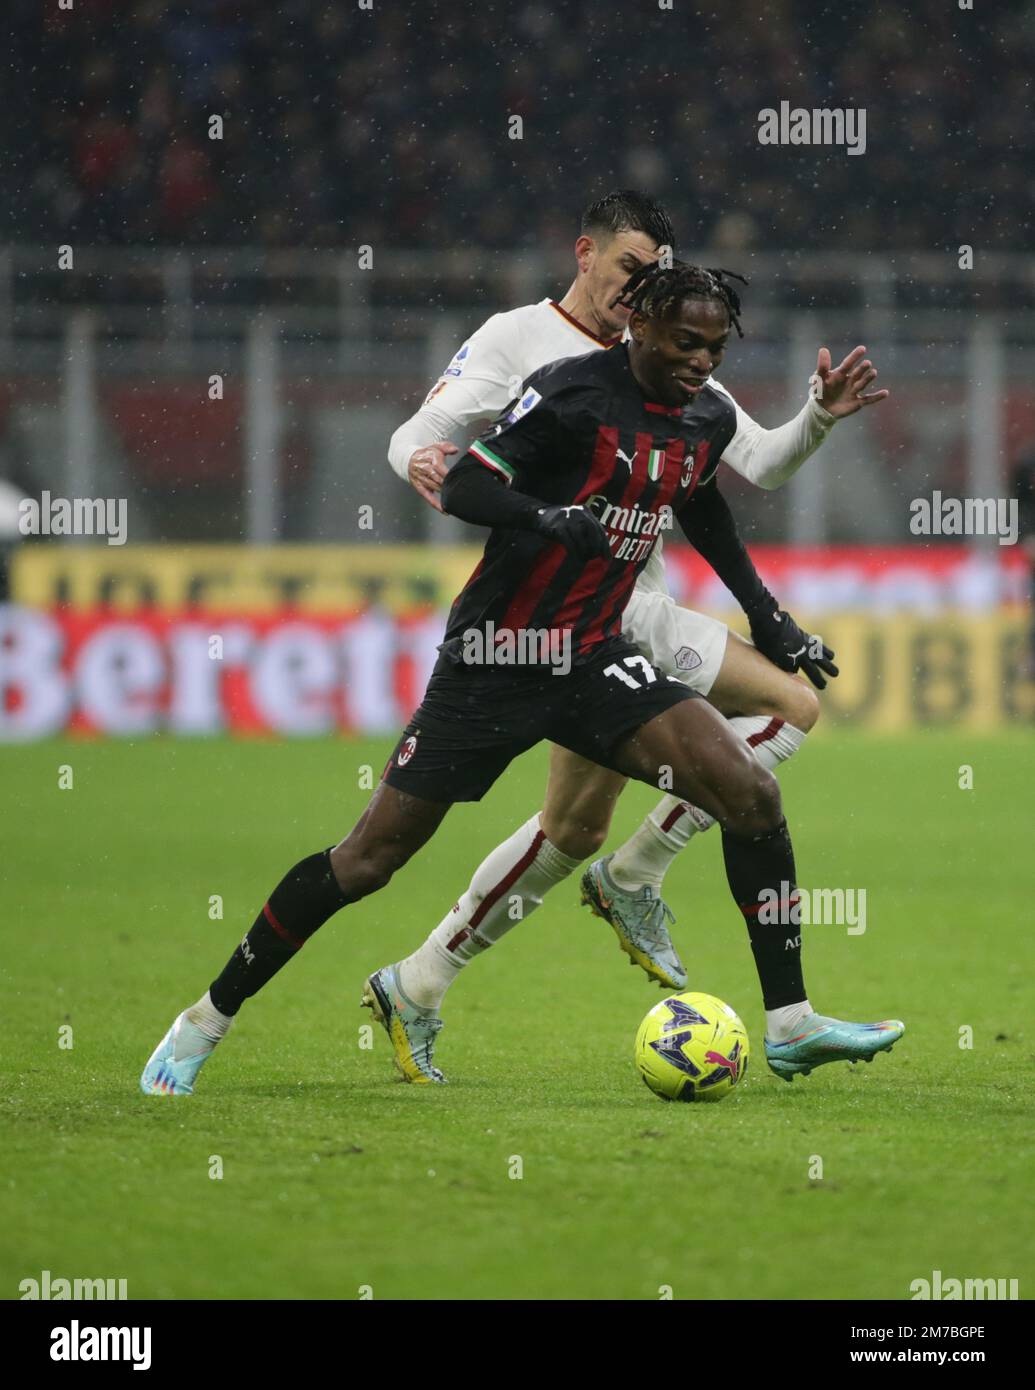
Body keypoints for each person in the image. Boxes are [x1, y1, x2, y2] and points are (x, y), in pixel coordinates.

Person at [140, 259, 903, 1095]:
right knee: (368, 860)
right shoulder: (570, 394)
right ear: (637, 327)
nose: (702, 363)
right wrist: (547, 517)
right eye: (686, 344)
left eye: (716, 348)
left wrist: (768, 618)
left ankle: (789, 1024)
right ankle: (203, 1021)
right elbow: (467, 477)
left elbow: (700, 504)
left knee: (750, 797)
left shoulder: (705, 416)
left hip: (594, 655)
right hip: (495, 658)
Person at [387, 190, 885, 1004]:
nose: (639, 287)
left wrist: (817, 419)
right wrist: (423, 464)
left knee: (785, 710)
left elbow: (752, 464)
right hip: (570, 618)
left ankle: (615, 885)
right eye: (628, 267)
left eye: (654, 273)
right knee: (573, 827)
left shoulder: (668, 355)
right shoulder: (522, 341)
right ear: (583, 254)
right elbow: (418, 433)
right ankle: (425, 976)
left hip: (635, 607)